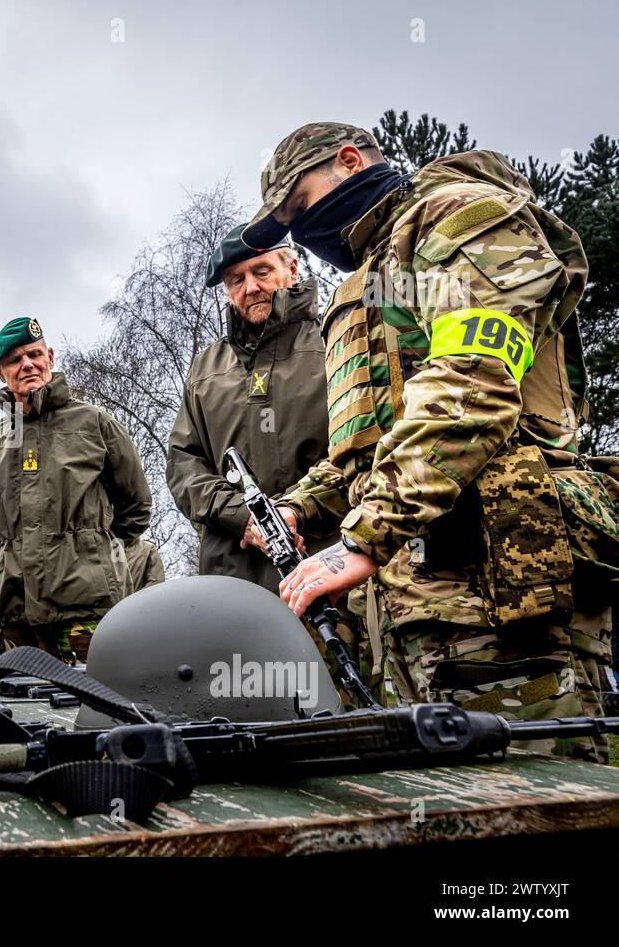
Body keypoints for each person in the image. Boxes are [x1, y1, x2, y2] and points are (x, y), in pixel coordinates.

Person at [245, 122, 618, 761]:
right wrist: (302, 504)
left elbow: (473, 384)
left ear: (350, 161)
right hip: (402, 607)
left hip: (494, 593)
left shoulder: (458, 219)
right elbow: (367, 450)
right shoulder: (369, 277)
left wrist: (366, 535)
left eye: (300, 206)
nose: (301, 230)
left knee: (528, 807)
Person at [0, 317, 152, 662]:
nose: (27, 364)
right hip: (19, 615)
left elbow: (136, 505)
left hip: (89, 610)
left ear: (50, 357)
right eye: (15, 360)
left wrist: (93, 551)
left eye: (34, 354)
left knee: (98, 703)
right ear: (0, 372)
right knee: (28, 708)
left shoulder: (94, 423)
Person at [167, 224, 332, 593]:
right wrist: (242, 518)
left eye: (262, 271)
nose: (251, 288)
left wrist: (293, 511)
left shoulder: (333, 338)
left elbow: (359, 451)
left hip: (328, 565)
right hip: (231, 580)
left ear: (291, 269)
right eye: (236, 280)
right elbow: (183, 464)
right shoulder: (205, 368)